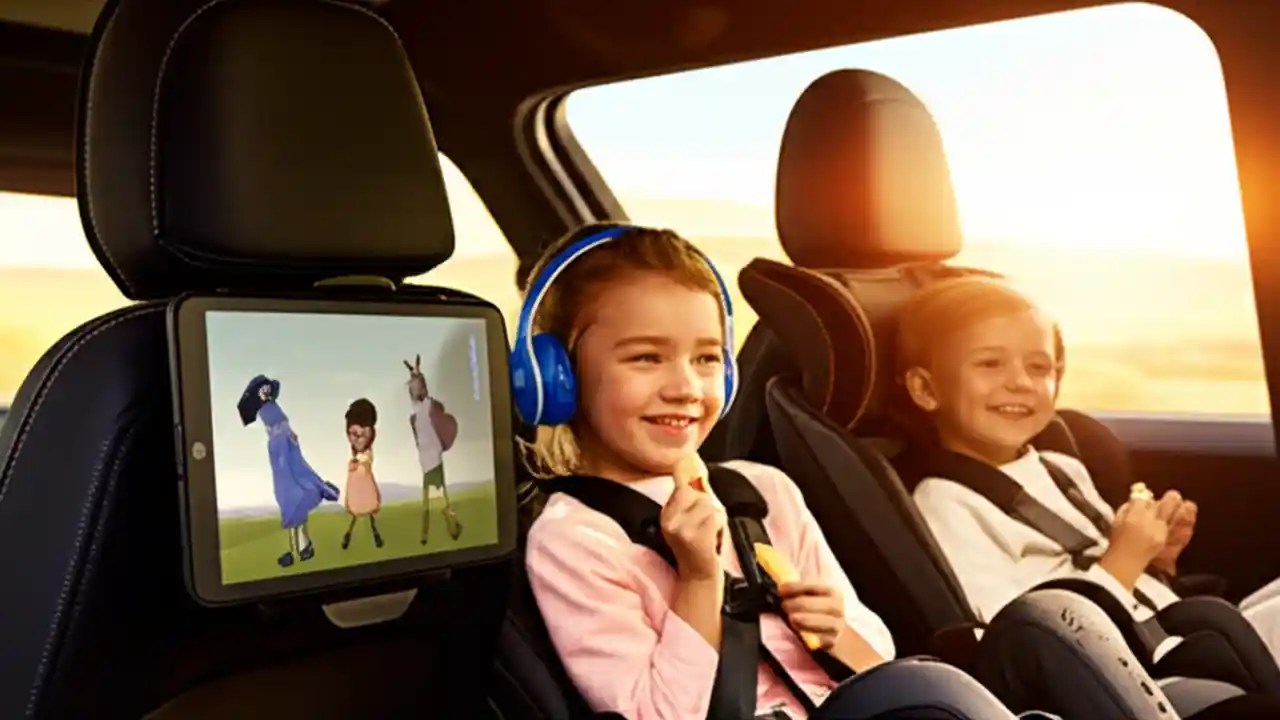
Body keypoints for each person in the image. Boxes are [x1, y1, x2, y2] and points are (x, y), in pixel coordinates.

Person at [519, 223, 1085, 720]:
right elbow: (665, 716)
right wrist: (697, 582)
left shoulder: (760, 494)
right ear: (555, 375)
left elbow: (877, 657)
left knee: (1047, 626)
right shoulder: (576, 540)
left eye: (707, 358)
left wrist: (837, 631)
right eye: (646, 357)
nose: (685, 387)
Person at [897, 275, 1280, 668]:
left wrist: (1157, 559)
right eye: (990, 364)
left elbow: (1113, 574)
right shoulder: (946, 505)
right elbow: (1020, 642)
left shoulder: (1061, 469)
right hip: (1142, 673)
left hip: (1182, 634)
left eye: (1039, 367)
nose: (1020, 382)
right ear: (927, 390)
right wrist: (1125, 559)